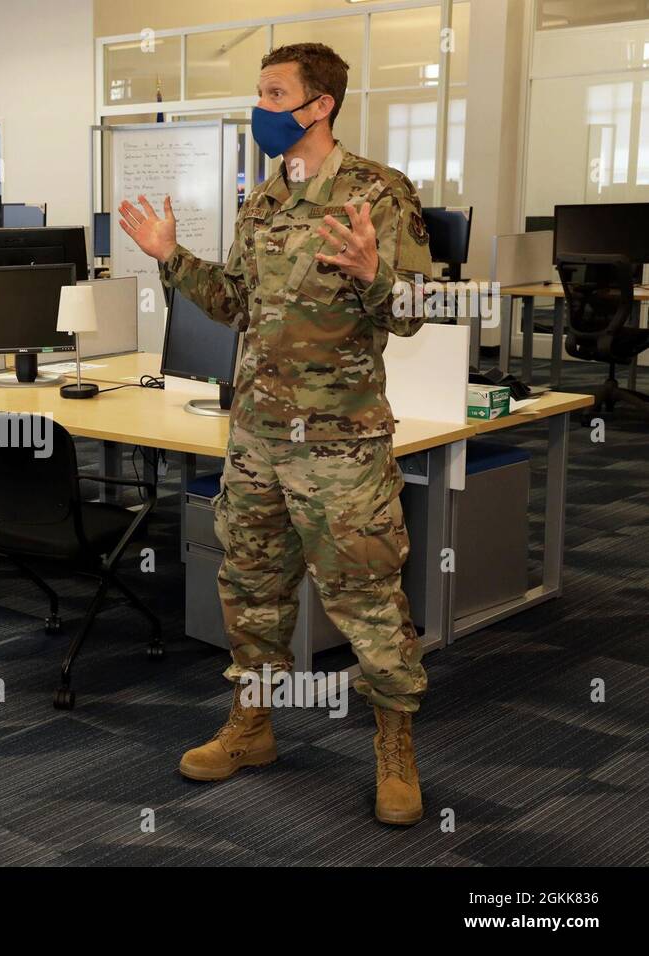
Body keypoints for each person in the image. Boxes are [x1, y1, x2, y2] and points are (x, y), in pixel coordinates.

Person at [118, 42, 434, 826]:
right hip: (257, 437)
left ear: (319, 104)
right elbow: (233, 303)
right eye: (258, 91)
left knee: (367, 601)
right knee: (252, 596)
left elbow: (416, 312)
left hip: (340, 446)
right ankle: (251, 725)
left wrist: (373, 276)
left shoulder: (377, 194)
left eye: (273, 92)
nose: (259, 106)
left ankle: (395, 747)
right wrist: (171, 259)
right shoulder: (261, 201)